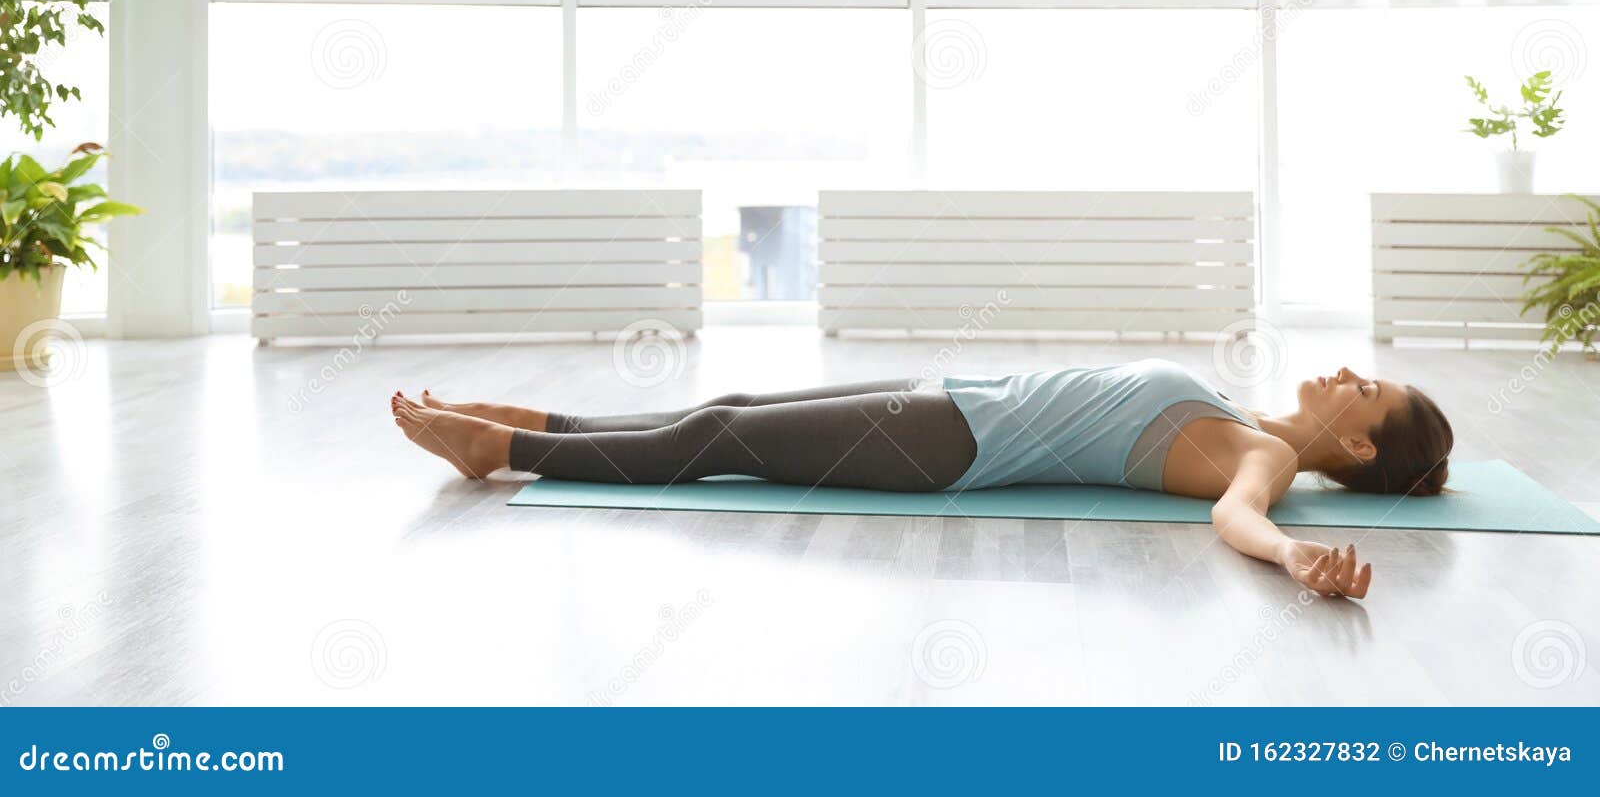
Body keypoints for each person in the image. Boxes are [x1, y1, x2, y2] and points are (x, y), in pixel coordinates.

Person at [390, 359, 1452, 599]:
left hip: (952, 443)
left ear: (1357, 448)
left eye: (1369, 392)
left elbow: (1236, 513)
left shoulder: (1262, 456)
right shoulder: (1243, 407)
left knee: (719, 437)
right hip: (956, 395)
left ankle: (504, 450)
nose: (1351, 374)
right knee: (740, 411)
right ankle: (542, 423)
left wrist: (1292, 552)